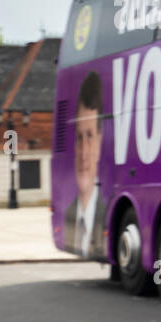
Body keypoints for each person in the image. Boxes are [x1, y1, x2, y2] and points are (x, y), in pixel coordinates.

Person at [63, 71, 107, 259]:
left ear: (100, 140)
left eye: (89, 136)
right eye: (79, 138)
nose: (83, 152)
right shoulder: (68, 216)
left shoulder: (106, 216)